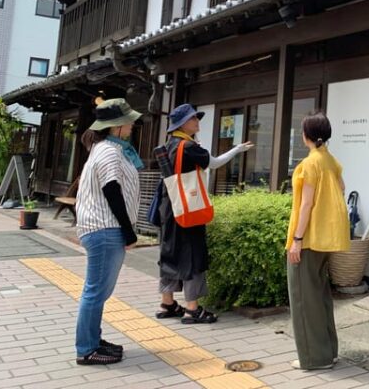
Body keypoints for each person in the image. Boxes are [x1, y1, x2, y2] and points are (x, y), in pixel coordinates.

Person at [156, 103, 253, 323]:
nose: (197, 122)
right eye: (194, 119)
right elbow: (215, 163)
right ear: (183, 124)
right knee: (193, 256)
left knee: (169, 254)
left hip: (168, 208)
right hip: (189, 209)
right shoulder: (189, 147)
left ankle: (167, 303)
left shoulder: (168, 146)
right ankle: (192, 309)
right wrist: (237, 149)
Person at [75, 98, 143, 365]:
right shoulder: (110, 151)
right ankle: (86, 348)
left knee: (98, 290)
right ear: (117, 126)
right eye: (128, 121)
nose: (132, 125)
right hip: (105, 228)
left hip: (102, 227)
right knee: (95, 291)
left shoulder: (105, 148)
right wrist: (129, 232)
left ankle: (93, 340)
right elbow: (111, 190)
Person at [286, 112, 350, 370]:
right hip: (326, 239)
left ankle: (315, 358)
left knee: (303, 298)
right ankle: (328, 351)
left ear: (306, 136)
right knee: (321, 296)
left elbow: (306, 205)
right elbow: (342, 188)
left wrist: (297, 239)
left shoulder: (309, 164)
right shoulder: (330, 161)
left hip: (309, 238)